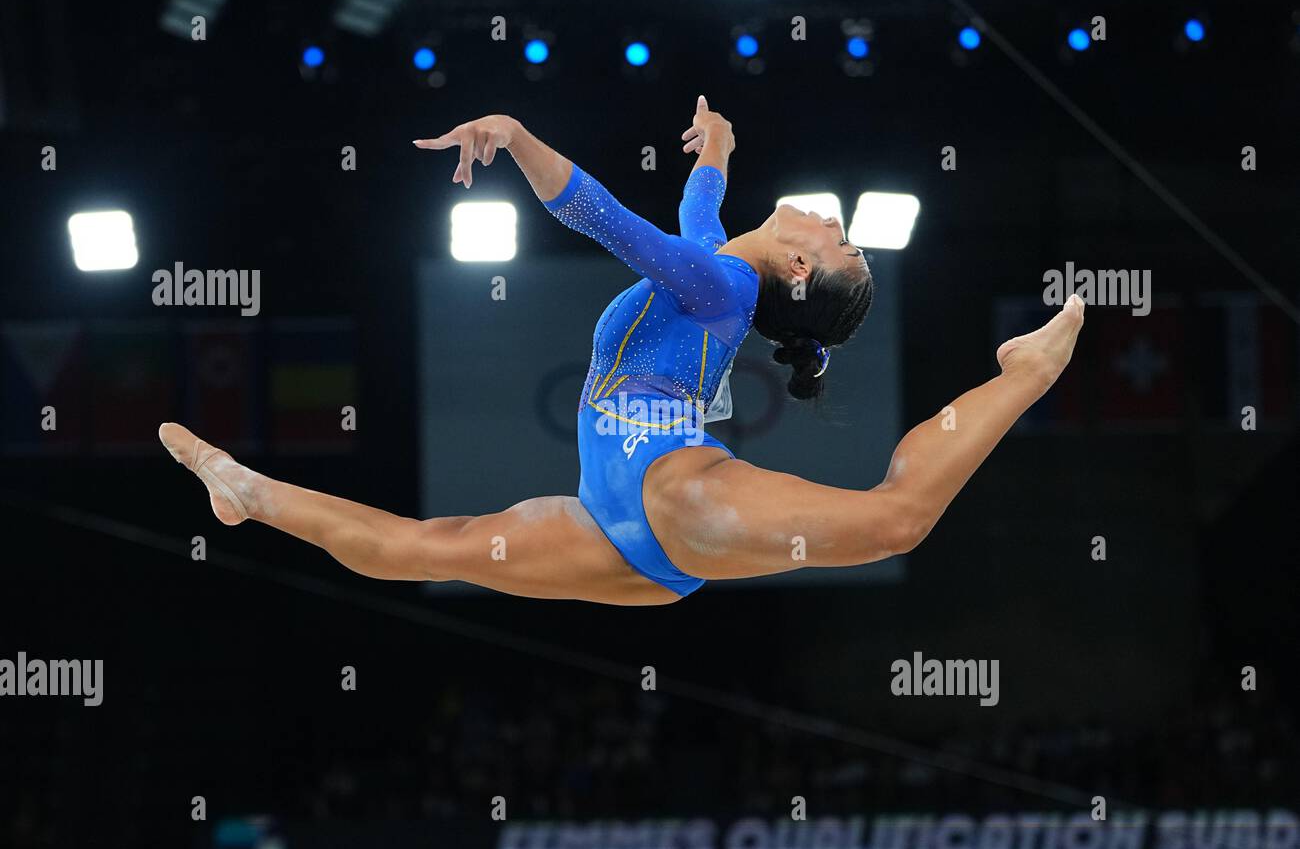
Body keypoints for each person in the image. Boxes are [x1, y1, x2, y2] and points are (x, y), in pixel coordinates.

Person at [159, 97, 1085, 606]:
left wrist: (517, 135)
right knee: (420, 548)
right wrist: (716, 149)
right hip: (631, 538)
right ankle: (247, 493)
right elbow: (696, 214)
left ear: (798, 267)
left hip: (670, 492)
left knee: (894, 520)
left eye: (838, 242)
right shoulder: (717, 275)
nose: (834, 220)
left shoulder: (718, 286)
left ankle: (1024, 375)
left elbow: (610, 219)